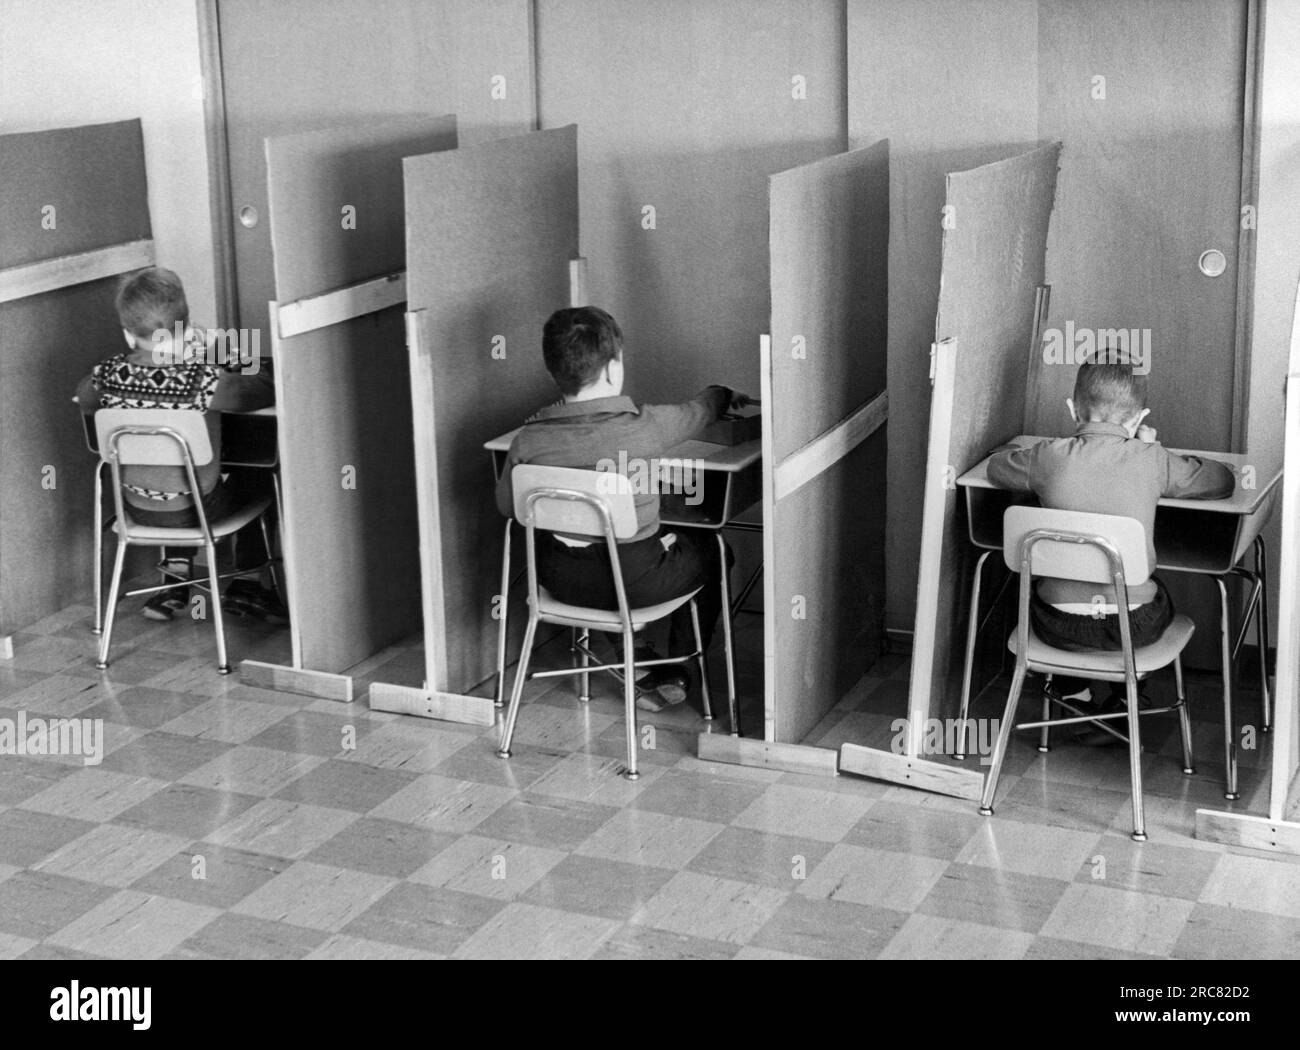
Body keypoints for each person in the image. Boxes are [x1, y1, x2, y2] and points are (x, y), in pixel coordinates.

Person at [495, 306, 747, 711]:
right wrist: (721, 394)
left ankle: (641, 660)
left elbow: (509, 507)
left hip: (560, 582)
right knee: (712, 547)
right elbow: (698, 412)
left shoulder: (527, 442)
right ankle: (680, 662)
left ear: (552, 371)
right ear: (614, 368)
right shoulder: (646, 426)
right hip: (637, 582)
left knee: (600, 549)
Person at [986, 354, 1235, 743]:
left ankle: (1073, 694)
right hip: (1133, 630)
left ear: (1072, 409)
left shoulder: (1048, 456)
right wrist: (1153, 446)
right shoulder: (1150, 459)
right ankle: (1122, 704)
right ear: (1139, 417)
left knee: (1053, 587)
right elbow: (1221, 481)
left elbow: (997, 468)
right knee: (1151, 586)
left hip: (1055, 626)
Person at [75, 267, 283, 622]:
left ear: (128, 334)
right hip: (200, 511)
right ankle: (247, 584)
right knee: (262, 474)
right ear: (185, 328)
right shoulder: (202, 380)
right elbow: (266, 384)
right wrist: (227, 345)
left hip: (134, 510)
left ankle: (176, 576)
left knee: (175, 475)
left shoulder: (107, 375)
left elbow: (84, 396)